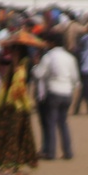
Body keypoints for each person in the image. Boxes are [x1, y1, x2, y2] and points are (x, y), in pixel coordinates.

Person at [0, 39, 40, 171]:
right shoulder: (12, 65)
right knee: (4, 133)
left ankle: (13, 163)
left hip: (18, 106)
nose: (12, 53)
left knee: (15, 135)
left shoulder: (25, 65)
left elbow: (22, 85)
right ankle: (3, 162)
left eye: (15, 50)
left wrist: (17, 69)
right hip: (6, 104)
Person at [34, 30, 79, 159]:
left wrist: (36, 65)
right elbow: (75, 78)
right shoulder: (70, 57)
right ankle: (67, 151)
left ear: (52, 43)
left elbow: (38, 74)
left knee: (51, 123)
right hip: (67, 92)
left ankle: (50, 152)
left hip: (53, 91)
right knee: (63, 122)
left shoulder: (49, 56)